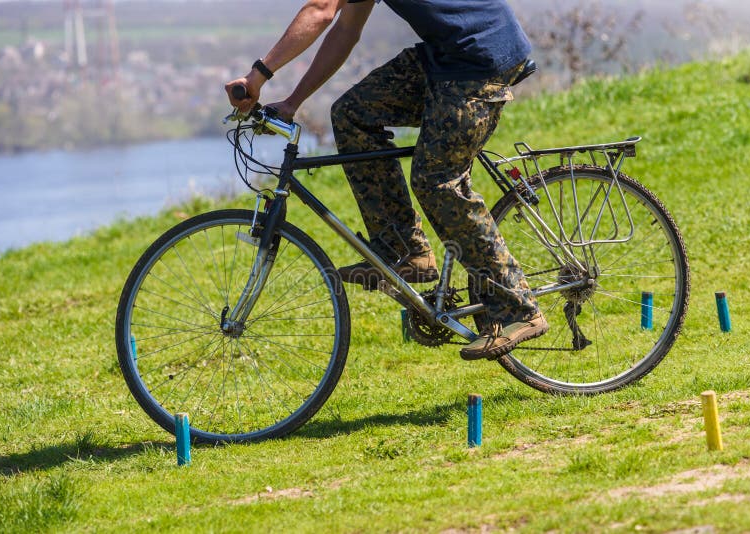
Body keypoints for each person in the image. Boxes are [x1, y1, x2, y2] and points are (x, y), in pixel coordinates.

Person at [225, 0, 548, 360]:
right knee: (352, 115)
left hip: (479, 59)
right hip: (446, 55)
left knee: (437, 182)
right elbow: (346, 30)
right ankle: (402, 249)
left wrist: (257, 76)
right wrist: (292, 101)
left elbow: (320, 11)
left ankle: (517, 308)